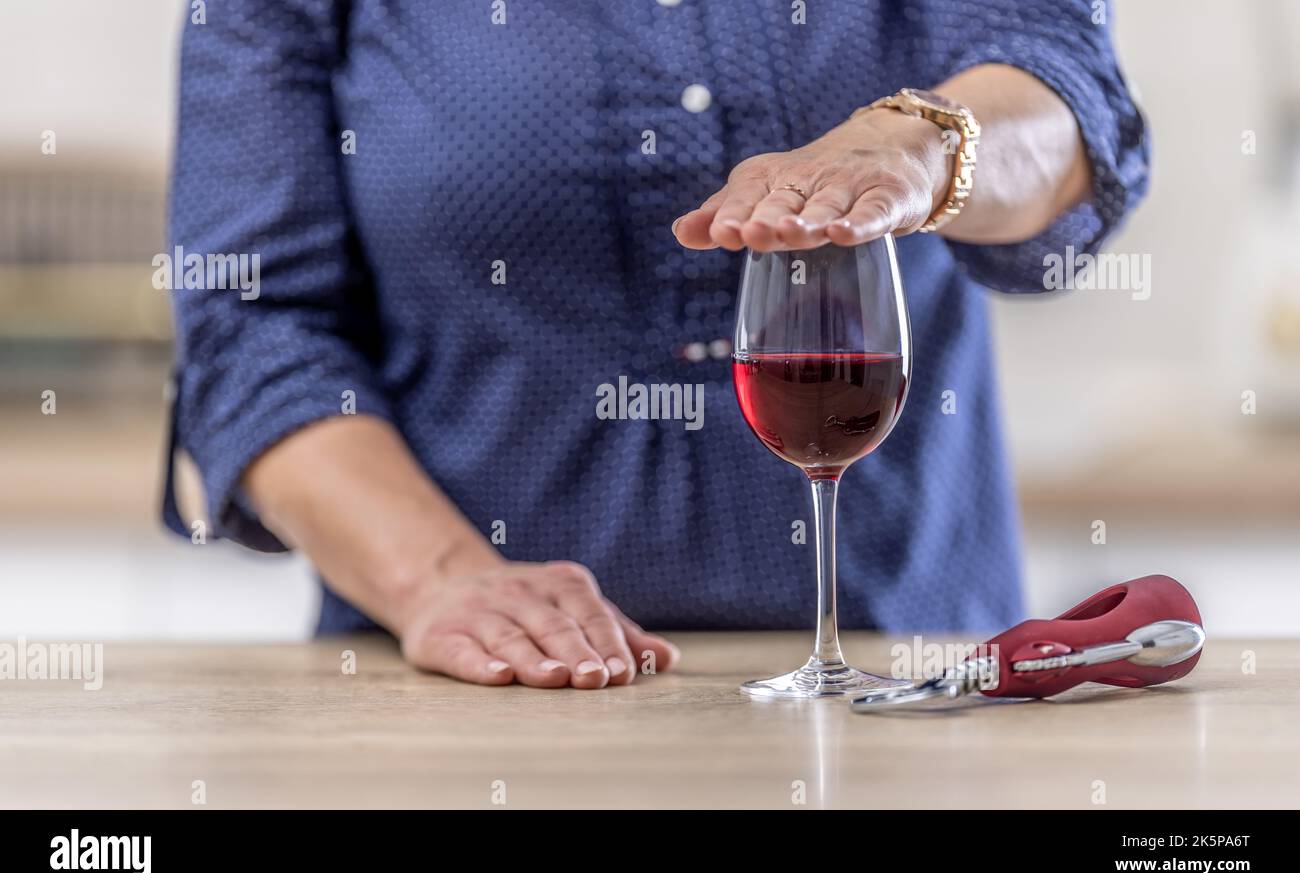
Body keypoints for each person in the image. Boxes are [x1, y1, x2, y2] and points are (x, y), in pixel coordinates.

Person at [164, 0, 1148, 688]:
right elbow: (251, 326)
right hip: (469, 712)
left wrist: (924, 146)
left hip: (914, 689)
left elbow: (1066, 105)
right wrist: (443, 580)